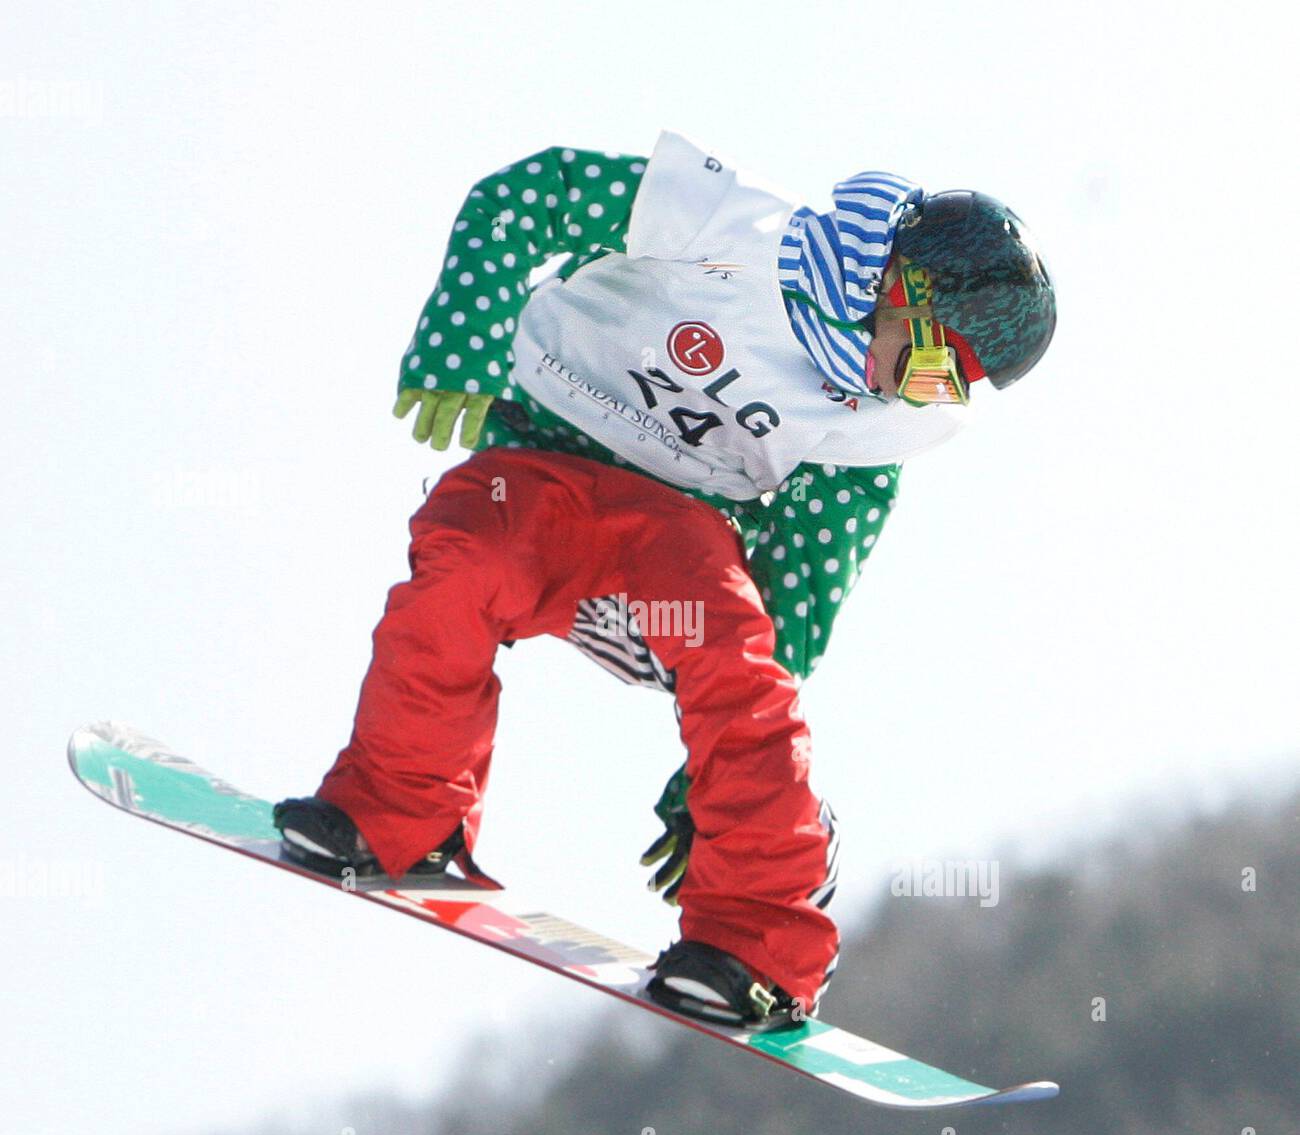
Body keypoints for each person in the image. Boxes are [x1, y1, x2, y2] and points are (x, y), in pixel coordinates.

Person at [274, 131, 1055, 1030]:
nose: (917, 393)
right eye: (929, 360)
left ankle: (756, 935)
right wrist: (465, 337)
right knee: (462, 567)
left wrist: (717, 782)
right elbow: (525, 199)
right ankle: (398, 810)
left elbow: (798, 589)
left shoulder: (878, 433)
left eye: (948, 388)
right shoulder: (726, 223)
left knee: (730, 646)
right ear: (901, 287)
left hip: (673, 532)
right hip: (540, 461)